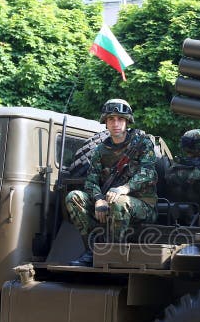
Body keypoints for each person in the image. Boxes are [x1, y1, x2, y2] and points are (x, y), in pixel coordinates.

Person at [65, 99, 157, 265]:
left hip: (143, 206)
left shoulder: (142, 143)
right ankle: (93, 250)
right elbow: (91, 180)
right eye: (111, 119)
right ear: (105, 123)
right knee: (74, 197)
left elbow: (148, 173)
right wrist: (99, 198)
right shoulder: (100, 150)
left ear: (127, 121)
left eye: (120, 119)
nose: (116, 123)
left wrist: (125, 188)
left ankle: (112, 254)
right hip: (109, 200)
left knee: (119, 201)